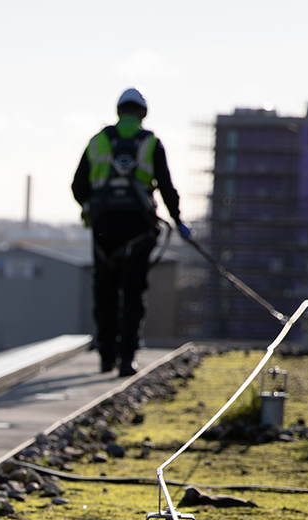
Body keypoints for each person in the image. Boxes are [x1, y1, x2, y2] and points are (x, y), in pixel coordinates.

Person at [70, 87, 190, 376]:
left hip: (104, 230)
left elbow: (78, 185)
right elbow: (166, 187)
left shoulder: (98, 141)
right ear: (142, 114)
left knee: (105, 293)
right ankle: (126, 359)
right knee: (133, 294)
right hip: (138, 230)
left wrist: (91, 208)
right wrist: (178, 220)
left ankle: (106, 356)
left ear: (119, 111)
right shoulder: (150, 143)